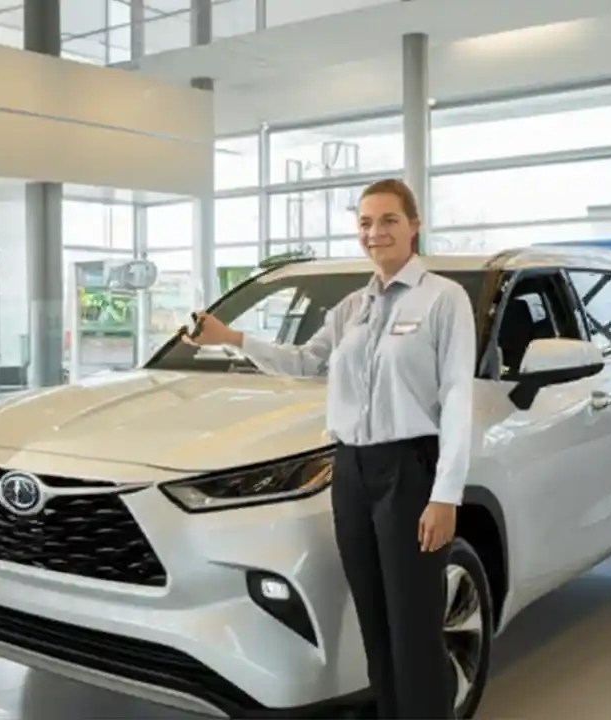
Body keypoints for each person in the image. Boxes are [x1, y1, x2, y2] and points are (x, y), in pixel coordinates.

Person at [188, 178, 475, 719]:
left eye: (388, 220)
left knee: (414, 626)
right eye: (365, 223)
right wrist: (230, 338)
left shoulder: (444, 299)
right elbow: (303, 362)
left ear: (415, 225)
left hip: (411, 470)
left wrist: (447, 495)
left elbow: (459, 396)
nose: (375, 232)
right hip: (350, 472)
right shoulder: (352, 308)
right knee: (374, 621)